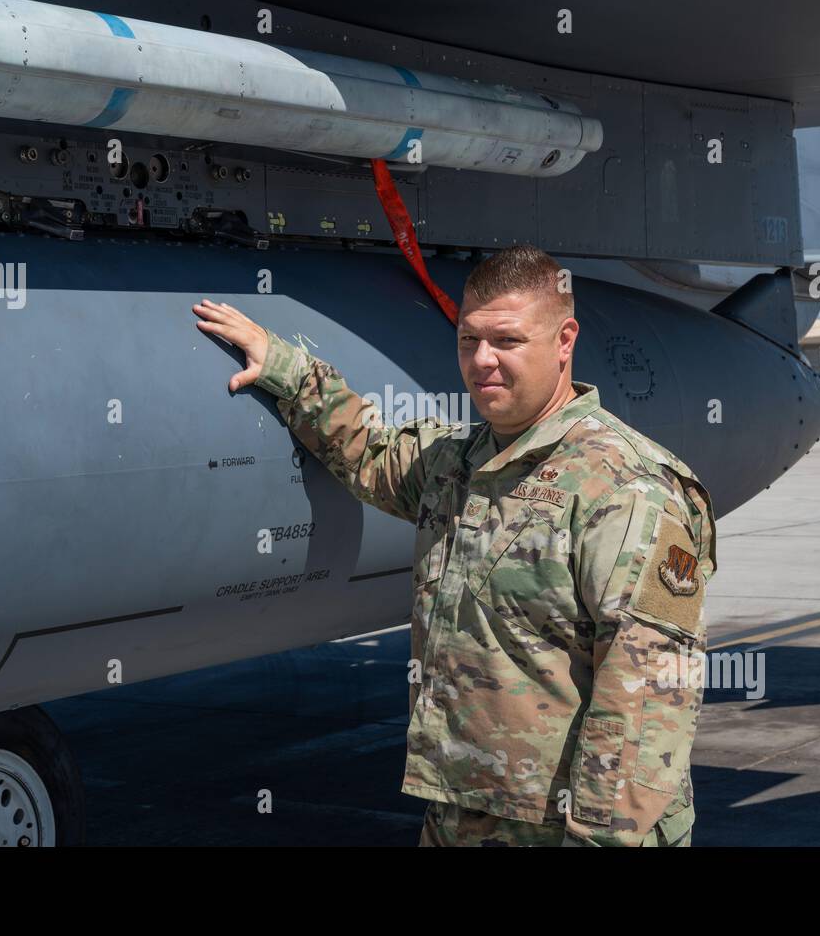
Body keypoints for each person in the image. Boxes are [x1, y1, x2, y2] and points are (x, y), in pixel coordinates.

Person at [192, 244, 716, 846]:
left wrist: (599, 839)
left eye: (508, 341)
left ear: (564, 340)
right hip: (463, 813)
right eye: (469, 340)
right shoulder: (459, 462)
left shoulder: (625, 490)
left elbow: (649, 700)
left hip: (564, 829)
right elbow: (367, 450)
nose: (483, 361)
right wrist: (284, 366)